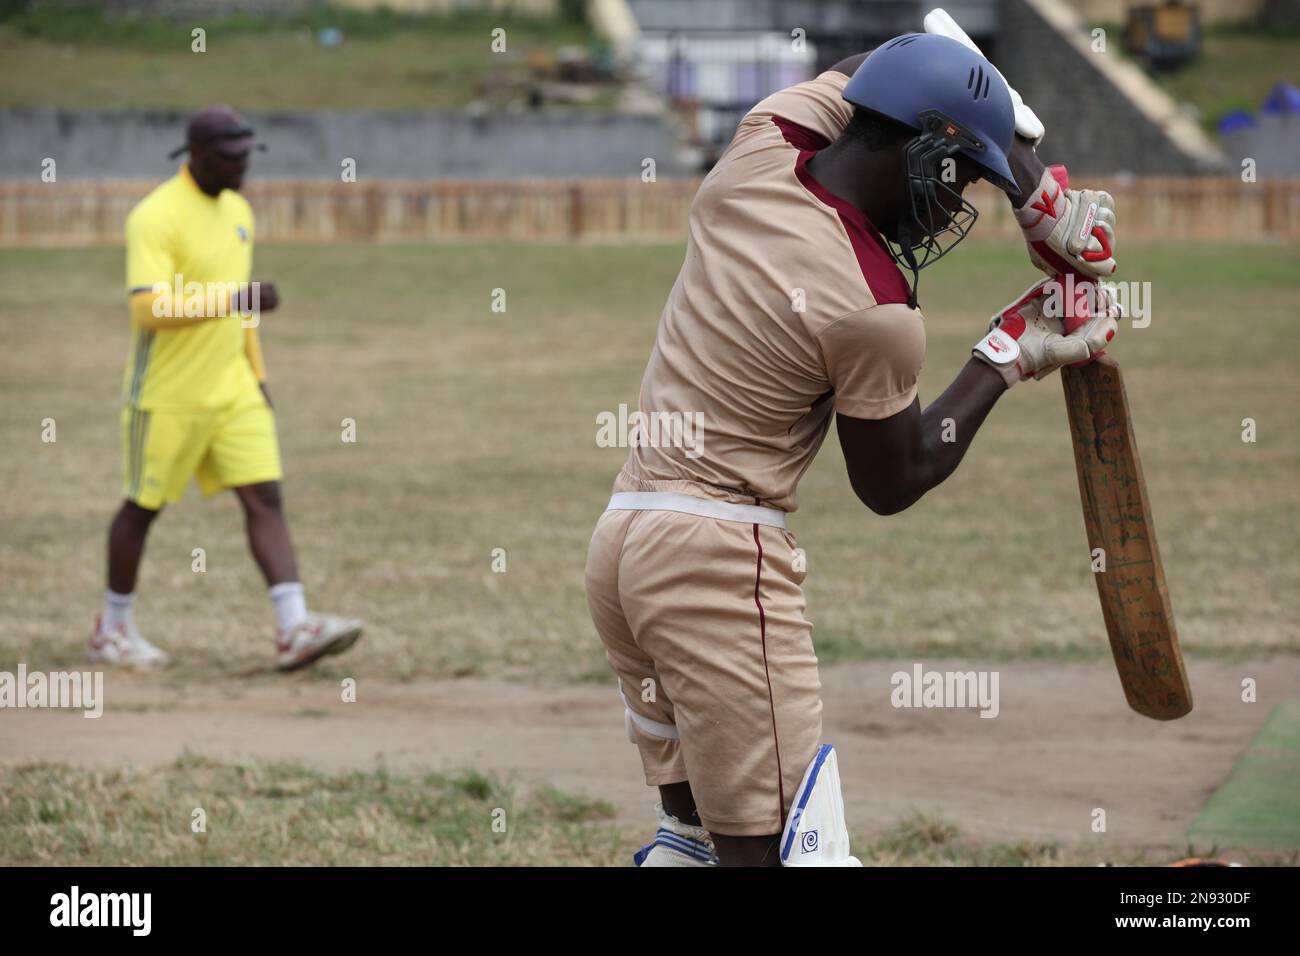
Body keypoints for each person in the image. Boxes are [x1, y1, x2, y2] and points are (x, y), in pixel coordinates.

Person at [584, 34, 1121, 867]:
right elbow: (893, 479)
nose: (957, 208)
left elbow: (899, 61)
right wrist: (1007, 353)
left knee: (690, 848)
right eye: (962, 180)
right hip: (718, 568)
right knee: (798, 859)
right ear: (926, 150)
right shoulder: (873, 306)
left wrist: (1027, 186)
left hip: (623, 543)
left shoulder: (762, 146)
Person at [91, 106, 363, 671]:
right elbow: (148, 308)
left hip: (233, 388)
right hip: (166, 394)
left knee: (265, 497)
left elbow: (239, 311)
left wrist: (258, 376)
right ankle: (113, 629)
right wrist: (236, 301)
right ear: (196, 155)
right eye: (230, 159)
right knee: (142, 507)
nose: (242, 170)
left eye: (247, 158)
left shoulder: (239, 210)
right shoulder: (155, 216)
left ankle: (295, 628)